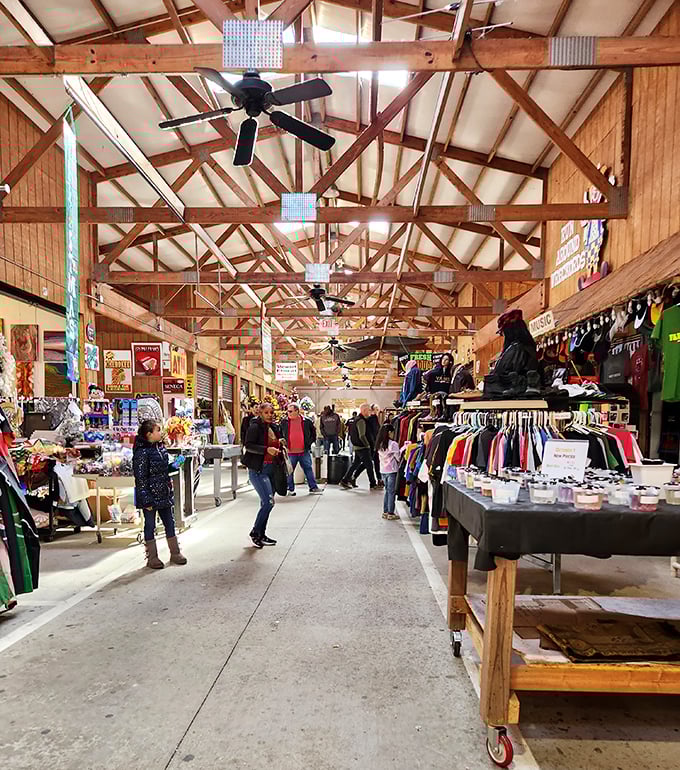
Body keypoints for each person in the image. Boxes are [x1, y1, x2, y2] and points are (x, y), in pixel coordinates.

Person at [133, 419, 187, 570]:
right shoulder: (141, 453)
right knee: (150, 525)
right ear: (149, 434)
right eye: (158, 430)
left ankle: (175, 553)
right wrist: (146, 499)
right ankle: (152, 557)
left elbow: (163, 470)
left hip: (164, 492)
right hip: (150, 495)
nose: (161, 432)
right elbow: (141, 478)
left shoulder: (161, 448)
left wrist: (174, 465)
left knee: (169, 522)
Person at [243, 403, 282, 548]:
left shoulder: (274, 427)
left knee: (266, 504)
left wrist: (280, 443)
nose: (270, 415)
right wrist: (267, 449)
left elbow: (277, 442)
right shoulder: (255, 427)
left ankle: (262, 534)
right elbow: (249, 445)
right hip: (259, 470)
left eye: (271, 412)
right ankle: (255, 532)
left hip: (272, 469)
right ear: (260, 413)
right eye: (266, 412)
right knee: (268, 502)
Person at [280, 403, 323, 496]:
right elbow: (280, 433)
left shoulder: (306, 421)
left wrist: (309, 442)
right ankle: (290, 489)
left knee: (308, 469)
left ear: (297, 411)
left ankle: (313, 487)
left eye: (290, 411)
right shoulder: (284, 422)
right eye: (288, 411)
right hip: (290, 452)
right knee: (289, 471)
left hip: (304, 451)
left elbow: (313, 433)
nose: (288, 413)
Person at [340, 403, 377, 490]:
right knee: (369, 466)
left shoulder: (356, 420)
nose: (369, 412)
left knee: (355, 464)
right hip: (362, 447)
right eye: (368, 410)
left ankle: (345, 480)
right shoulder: (361, 421)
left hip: (357, 446)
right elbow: (362, 435)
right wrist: (367, 444)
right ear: (364, 410)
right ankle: (373, 483)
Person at [376, 423, 401, 520]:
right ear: (389, 432)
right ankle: (391, 512)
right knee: (391, 492)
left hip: (383, 470)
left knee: (387, 491)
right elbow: (398, 458)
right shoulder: (393, 444)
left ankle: (385, 511)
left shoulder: (379, 443)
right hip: (392, 470)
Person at [367, 404, 383, 488]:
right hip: (373, 444)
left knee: (375, 462)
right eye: (377, 409)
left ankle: (379, 479)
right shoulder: (372, 419)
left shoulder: (374, 419)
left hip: (374, 444)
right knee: (368, 462)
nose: (378, 411)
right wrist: (374, 444)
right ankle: (353, 476)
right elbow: (372, 433)